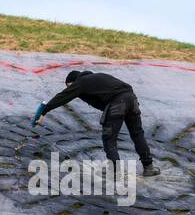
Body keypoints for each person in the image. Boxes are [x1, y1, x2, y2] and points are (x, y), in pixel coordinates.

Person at [31, 70, 159, 175]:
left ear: (74, 82)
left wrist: (44, 111)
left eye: (70, 87)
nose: (73, 92)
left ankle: (114, 170)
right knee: (137, 134)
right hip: (132, 99)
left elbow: (63, 96)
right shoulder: (99, 78)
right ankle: (149, 168)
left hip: (118, 102)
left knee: (109, 138)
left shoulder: (82, 82)